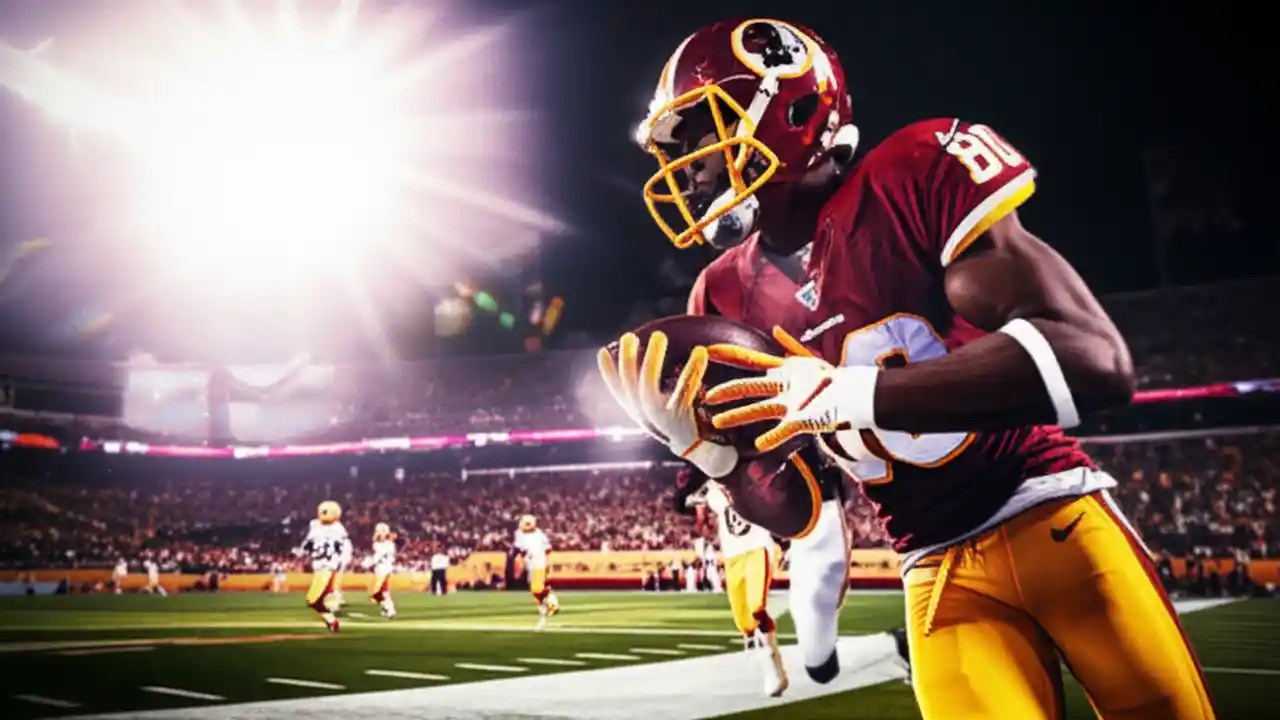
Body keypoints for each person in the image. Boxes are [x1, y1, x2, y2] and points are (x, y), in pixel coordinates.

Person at [606, 18, 1212, 720]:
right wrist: (716, 460)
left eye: (699, 133)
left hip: (1052, 514)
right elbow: (800, 508)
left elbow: (1095, 361)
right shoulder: (721, 293)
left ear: (791, 108)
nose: (687, 164)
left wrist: (851, 393)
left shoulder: (913, 172)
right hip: (933, 570)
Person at [690, 480, 787, 696]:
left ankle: (773, 665)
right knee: (744, 624)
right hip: (733, 556)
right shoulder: (712, 490)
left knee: (757, 607)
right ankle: (761, 649)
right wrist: (700, 509)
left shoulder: (749, 478)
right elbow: (701, 521)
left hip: (757, 548)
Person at [299, 500, 351, 632]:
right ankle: (332, 619)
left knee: (313, 599)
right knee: (316, 599)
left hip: (326, 567)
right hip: (323, 567)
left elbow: (308, 544)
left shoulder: (321, 528)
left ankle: (332, 615)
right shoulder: (335, 529)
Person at [513, 514, 559, 630]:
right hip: (530, 564)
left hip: (539, 562)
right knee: (534, 590)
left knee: (537, 588)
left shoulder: (539, 535)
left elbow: (548, 549)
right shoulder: (519, 534)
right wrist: (521, 561)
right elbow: (520, 550)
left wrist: (546, 562)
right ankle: (544, 610)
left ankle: (551, 600)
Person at [365, 523, 397, 619]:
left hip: (383, 569)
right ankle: (386, 608)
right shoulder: (388, 544)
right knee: (382, 591)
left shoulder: (384, 545)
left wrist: (367, 563)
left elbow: (378, 557)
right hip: (383, 569)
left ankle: (389, 609)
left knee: (376, 593)